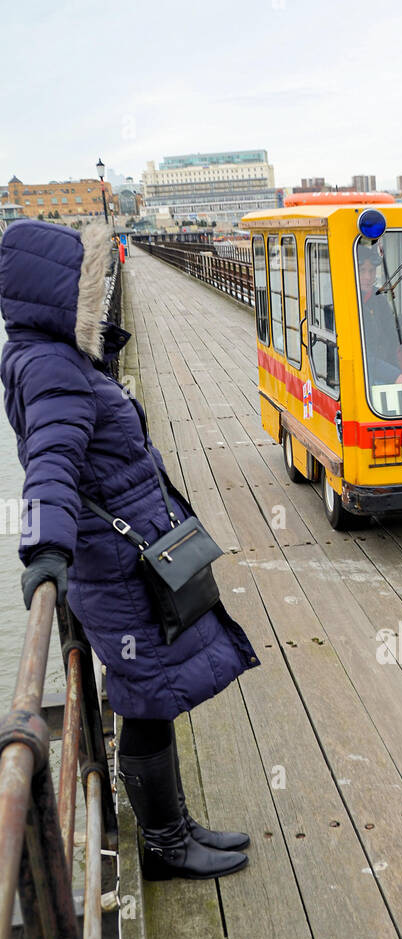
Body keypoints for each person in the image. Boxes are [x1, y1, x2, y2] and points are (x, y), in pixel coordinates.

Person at [0, 219, 259, 882]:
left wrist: (98, 355)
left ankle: (175, 829)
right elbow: (51, 466)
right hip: (117, 569)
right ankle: (166, 846)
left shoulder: (47, 356)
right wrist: (44, 551)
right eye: (90, 282)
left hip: (125, 561)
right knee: (146, 700)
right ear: (61, 292)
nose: (102, 287)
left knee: (155, 697)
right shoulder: (53, 367)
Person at [357, 242, 402, 386]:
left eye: (372, 271)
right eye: (362, 271)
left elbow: (391, 340)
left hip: (381, 370)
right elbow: (358, 355)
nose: (368, 277)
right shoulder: (345, 303)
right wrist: (395, 376)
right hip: (360, 374)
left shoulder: (378, 298)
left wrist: (399, 373)